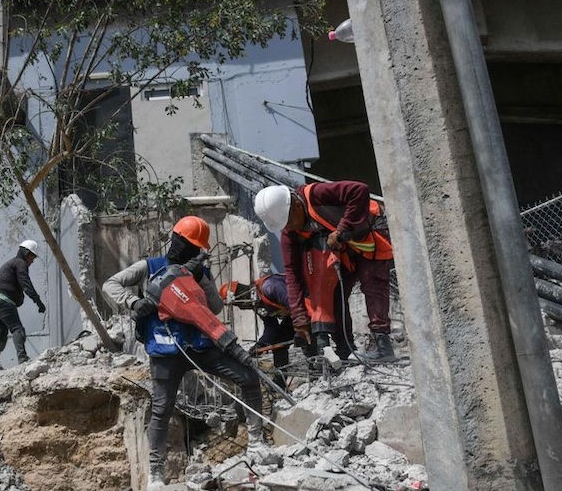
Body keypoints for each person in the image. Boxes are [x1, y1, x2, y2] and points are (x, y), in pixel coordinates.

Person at [103, 216, 273, 490]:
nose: (181, 247)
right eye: (180, 240)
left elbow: (215, 307)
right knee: (161, 409)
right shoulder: (150, 267)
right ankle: (155, 474)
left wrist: (199, 278)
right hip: (165, 350)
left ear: (196, 250)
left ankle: (255, 442)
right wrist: (134, 302)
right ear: (174, 237)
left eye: (189, 245)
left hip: (202, 347)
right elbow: (111, 284)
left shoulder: (198, 272)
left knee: (248, 376)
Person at [254, 181, 397, 362]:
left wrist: (342, 228)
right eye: (285, 225)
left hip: (369, 228)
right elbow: (292, 275)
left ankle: (383, 346)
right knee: (335, 293)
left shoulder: (316, 194)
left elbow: (360, 190)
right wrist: (299, 317)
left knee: (372, 283)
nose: (289, 227)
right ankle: (346, 351)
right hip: (346, 246)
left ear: (297, 205)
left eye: (289, 221)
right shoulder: (290, 233)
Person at [0, 240, 47, 370]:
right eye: (32, 257)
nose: (32, 261)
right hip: (2, 299)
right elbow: (26, 284)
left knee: (0, 332)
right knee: (17, 329)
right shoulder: (20, 263)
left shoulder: (11, 263)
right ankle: (22, 358)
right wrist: (38, 302)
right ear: (26, 253)